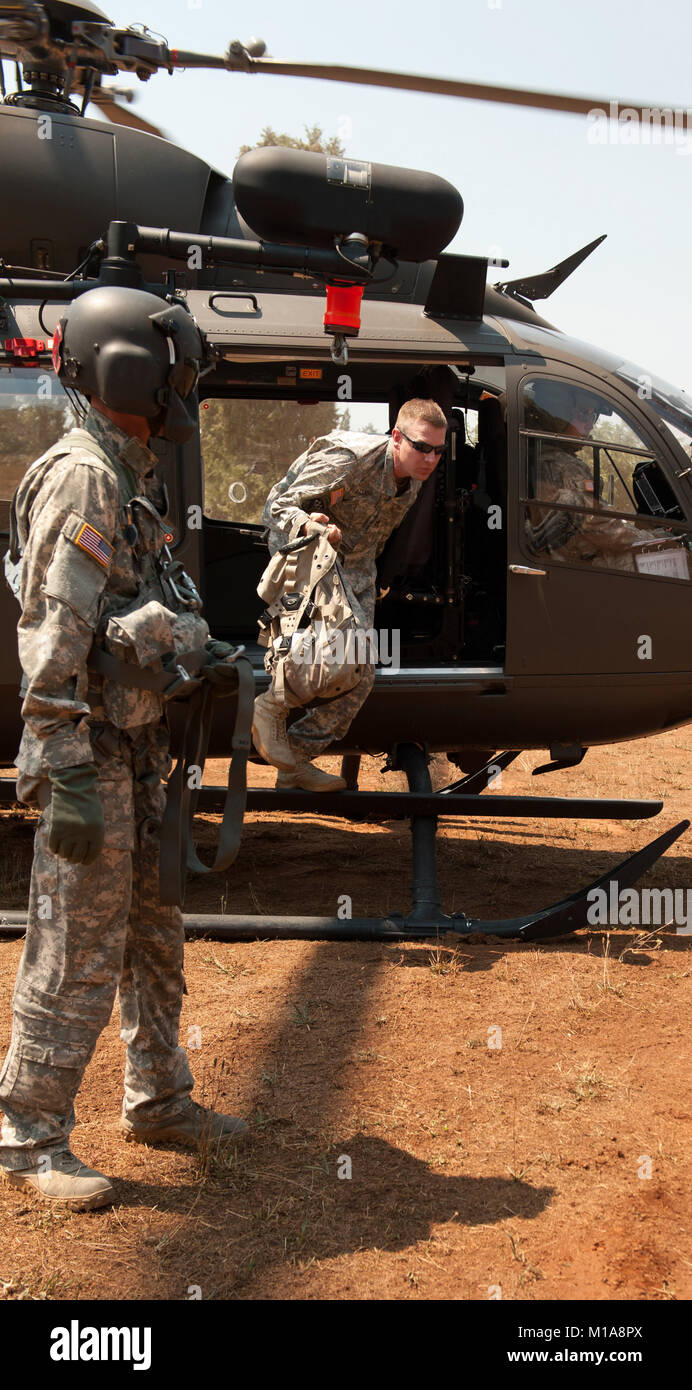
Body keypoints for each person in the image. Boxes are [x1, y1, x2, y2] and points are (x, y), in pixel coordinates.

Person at [0, 285, 247, 1213]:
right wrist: (63, 768)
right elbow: (52, 638)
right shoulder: (85, 476)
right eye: (176, 369)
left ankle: (158, 1099)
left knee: (153, 937)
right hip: (91, 756)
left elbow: (126, 612)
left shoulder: (124, 470)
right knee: (74, 948)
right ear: (127, 371)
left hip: (136, 750)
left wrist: (201, 649)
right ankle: (26, 1136)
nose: (184, 387)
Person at [251, 398, 448, 790]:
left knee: (362, 673)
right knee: (348, 647)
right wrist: (310, 523)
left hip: (356, 566)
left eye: (438, 451)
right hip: (310, 549)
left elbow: (375, 538)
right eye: (421, 447)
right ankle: (271, 705)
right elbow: (275, 508)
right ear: (396, 437)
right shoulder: (351, 457)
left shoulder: (414, 481)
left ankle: (295, 763)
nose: (430, 458)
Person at [524, 380, 649, 572]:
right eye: (584, 414)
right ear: (559, 416)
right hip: (575, 563)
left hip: (562, 557)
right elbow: (599, 527)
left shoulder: (539, 454)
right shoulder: (564, 466)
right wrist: (651, 539)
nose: (590, 424)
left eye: (594, 415)